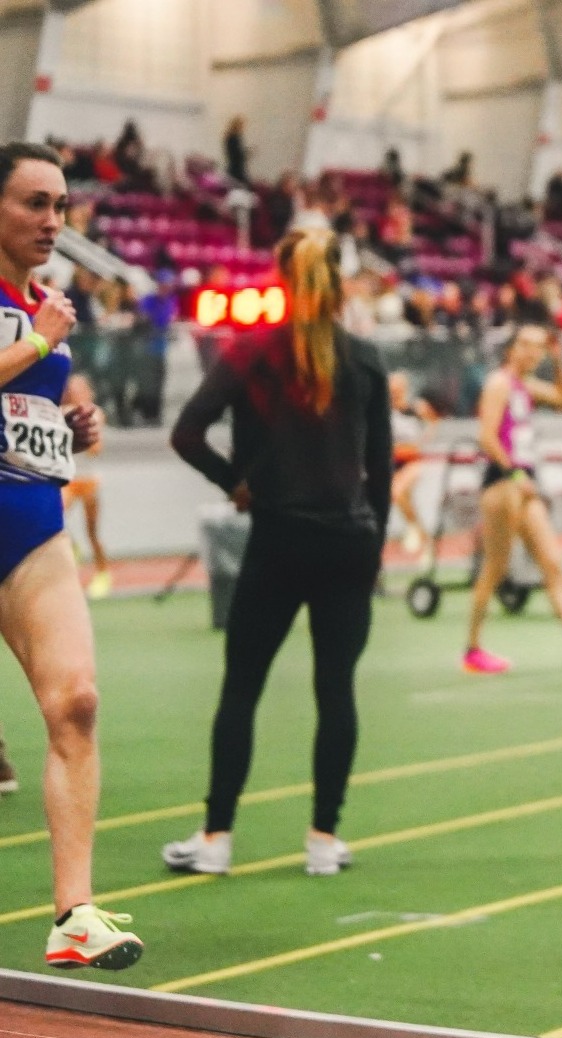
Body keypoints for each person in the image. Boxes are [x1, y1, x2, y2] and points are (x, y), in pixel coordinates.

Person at [162, 230, 390, 878]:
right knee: (335, 689)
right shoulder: (366, 358)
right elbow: (380, 472)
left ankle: (216, 839)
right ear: (339, 281)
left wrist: (234, 480)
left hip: (279, 538)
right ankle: (323, 841)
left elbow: (186, 433)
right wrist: (373, 548)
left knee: (242, 688)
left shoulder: (252, 350)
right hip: (349, 539)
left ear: (283, 281)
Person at [0, 141, 143, 968]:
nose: (53, 221)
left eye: (59, 205)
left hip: (27, 519)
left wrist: (71, 431)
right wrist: (32, 346)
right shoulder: (41, 319)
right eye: (33, 203)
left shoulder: (47, 306)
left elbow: (22, 410)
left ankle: (74, 915)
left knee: (77, 701)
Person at [461, 324, 562, 674]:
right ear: (513, 349)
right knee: (495, 568)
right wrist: (514, 474)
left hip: (524, 484)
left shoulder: (525, 385)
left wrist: (560, 362)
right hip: (504, 482)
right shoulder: (499, 384)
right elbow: (486, 437)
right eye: (527, 346)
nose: (534, 353)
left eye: (539, 348)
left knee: (552, 563)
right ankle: (472, 649)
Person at [60, 372, 111, 598]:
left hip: (89, 480)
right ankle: (72, 546)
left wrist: (83, 437)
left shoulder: (95, 413)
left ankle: (102, 573)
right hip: (69, 479)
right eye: (72, 388)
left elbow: (95, 449)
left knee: (92, 532)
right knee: (56, 517)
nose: (76, 392)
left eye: (81, 388)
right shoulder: (60, 412)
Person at [388, 371, 439, 555]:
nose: (394, 392)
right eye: (391, 388)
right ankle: (423, 538)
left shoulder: (416, 407)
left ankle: (416, 532)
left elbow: (434, 422)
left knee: (396, 493)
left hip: (412, 460)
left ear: (405, 388)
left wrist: (421, 443)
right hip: (393, 460)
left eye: (398, 388)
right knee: (405, 500)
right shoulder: (384, 409)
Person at [222, 116, 249, 186]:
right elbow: (237, 154)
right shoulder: (234, 138)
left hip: (234, 167)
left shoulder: (229, 137)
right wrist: (246, 153)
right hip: (236, 169)